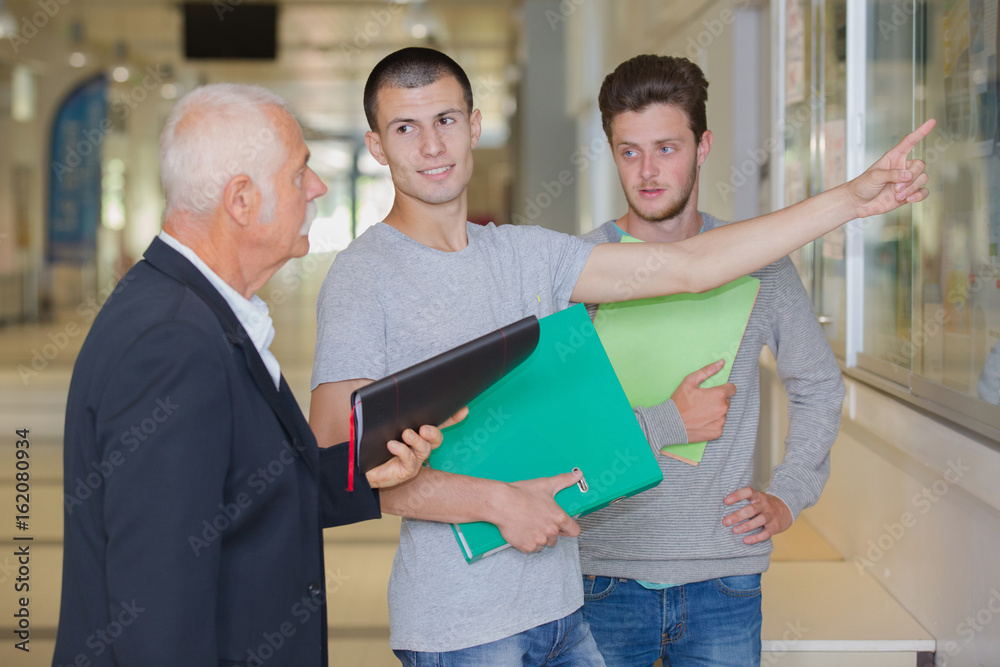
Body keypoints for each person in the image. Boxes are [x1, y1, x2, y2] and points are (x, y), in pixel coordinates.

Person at [308, 46, 931, 665]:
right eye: (405, 128)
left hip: (560, 610)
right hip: (467, 624)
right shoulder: (364, 276)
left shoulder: (531, 256)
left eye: (445, 120)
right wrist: (499, 503)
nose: (431, 146)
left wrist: (851, 200)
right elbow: (338, 468)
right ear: (376, 146)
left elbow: (690, 267)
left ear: (473, 126)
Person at [53, 83, 454, 667]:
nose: (316, 188)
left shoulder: (194, 311)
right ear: (241, 201)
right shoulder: (173, 346)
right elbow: (158, 618)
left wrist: (368, 473)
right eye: (298, 174)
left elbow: (243, 493)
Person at [575, 54, 845, 666]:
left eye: (666, 148)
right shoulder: (581, 268)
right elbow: (552, 420)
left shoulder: (759, 262)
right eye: (629, 151)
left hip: (723, 577)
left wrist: (789, 494)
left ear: (703, 147)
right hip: (600, 574)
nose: (647, 171)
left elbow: (818, 386)